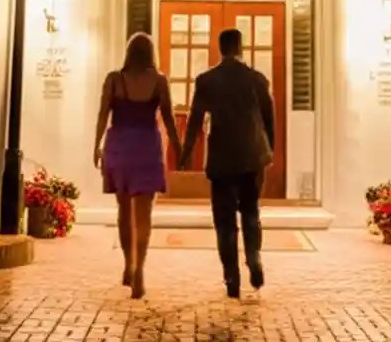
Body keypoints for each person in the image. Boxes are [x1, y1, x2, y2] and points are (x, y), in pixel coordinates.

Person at [180, 28, 276, 299]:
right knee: (250, 212)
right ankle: (254, 258)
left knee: (224, 221)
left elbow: (195, 120)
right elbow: (269, 119)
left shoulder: (207, 81)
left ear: (220, 48)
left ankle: (231, 276)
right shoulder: (257, 80)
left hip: (222, 159)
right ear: (241, 47)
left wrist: (186, 153)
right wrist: (269, 150)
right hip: (252, 156)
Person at [93, 32, 183, 299]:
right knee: (144, 214)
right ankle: (140, 269)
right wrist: (179, 149)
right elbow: (167, 117)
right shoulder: (159, 81)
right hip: (146, 147)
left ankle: (127, 265)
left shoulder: (114, 79)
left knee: (124, 211)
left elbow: (102, 115)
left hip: (119, 146)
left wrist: (96, 145)